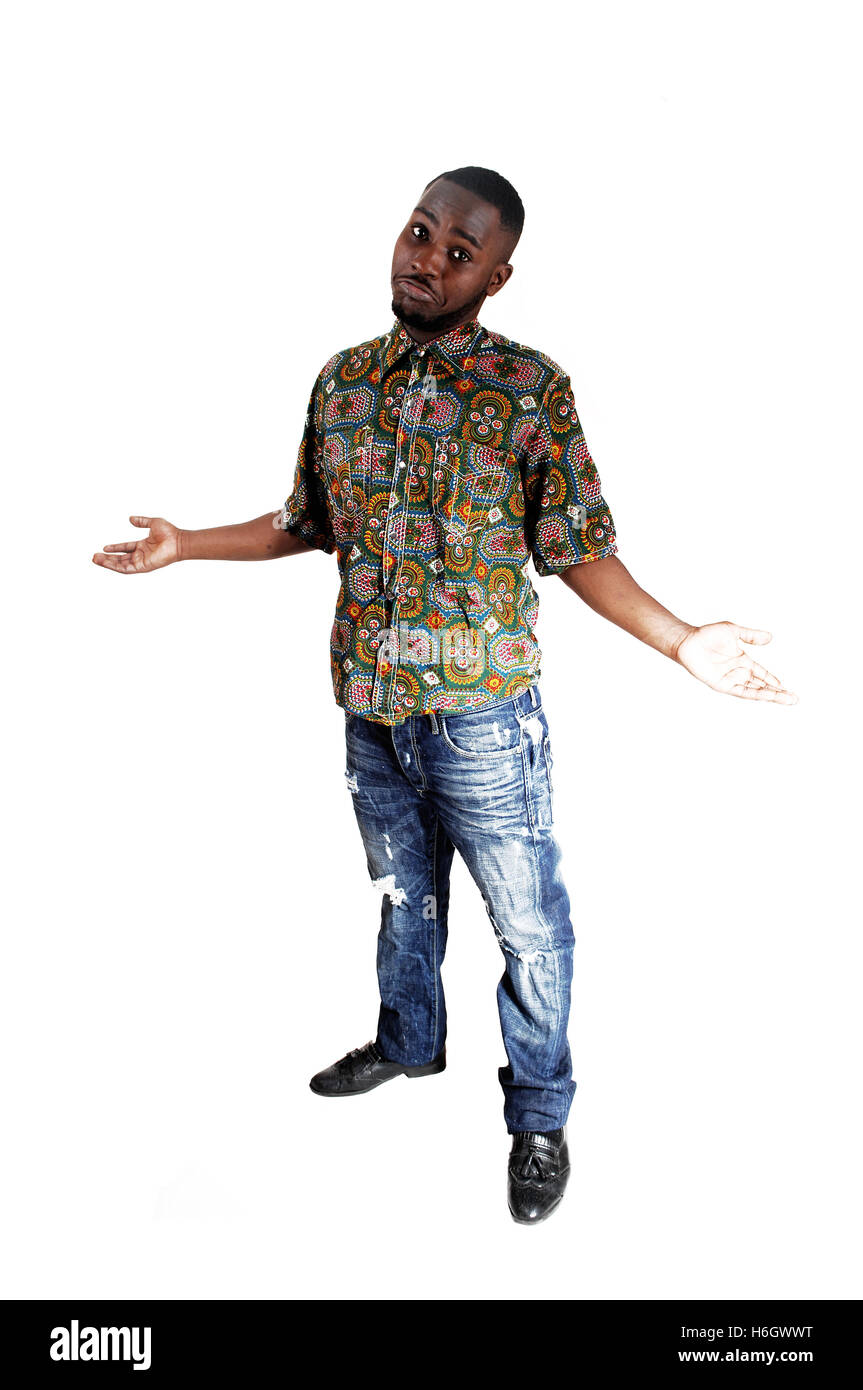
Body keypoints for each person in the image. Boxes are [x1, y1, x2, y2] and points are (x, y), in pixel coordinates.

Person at [92, 166, 797, 1225]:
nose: (425, 257)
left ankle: (538, 1116)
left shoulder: (529, 389)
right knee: (399, 898)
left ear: (496, 275)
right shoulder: (342, 381)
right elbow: (306, 521)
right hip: (369, 707)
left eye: (456, 250)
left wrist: (679, 639)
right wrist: (186, 544)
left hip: (481, 718)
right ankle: (408, 1041)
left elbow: (577, 550)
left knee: (528, 927)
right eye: (419, 231)